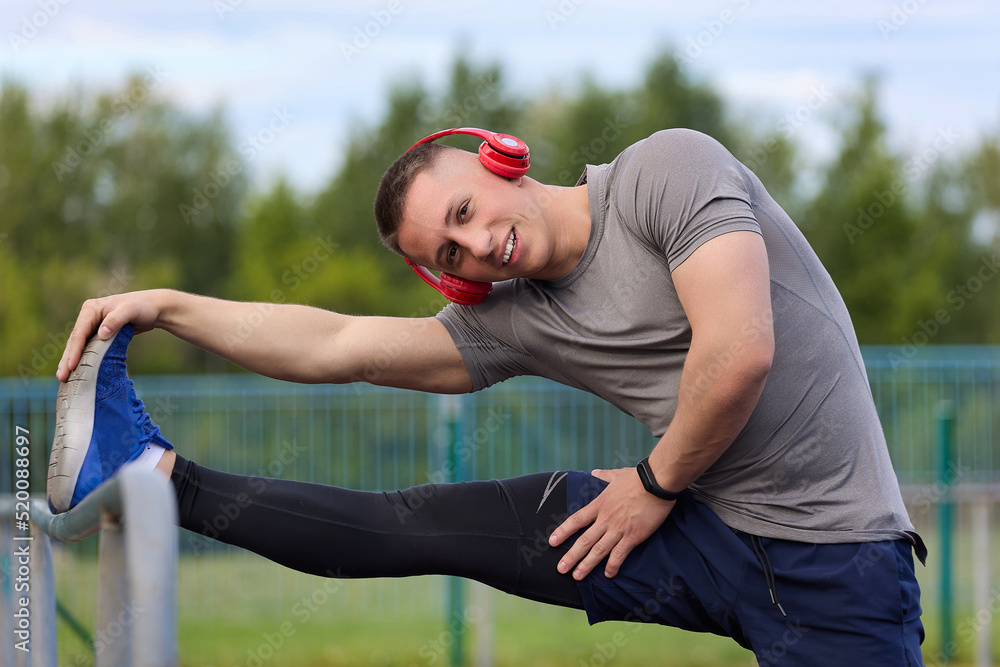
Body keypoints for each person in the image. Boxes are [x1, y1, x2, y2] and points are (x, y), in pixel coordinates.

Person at [50, 127, 926, 665]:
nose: (475, 245)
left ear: (501, 160)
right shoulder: (517, 320)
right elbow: (340, 345)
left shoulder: (669, 172)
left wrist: (651, 486)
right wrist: (166, 306)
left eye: (464, 211)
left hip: (834, 558)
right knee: (417, 522)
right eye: (449, 252)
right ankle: (162, 475)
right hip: (702, 523)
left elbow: (739, 352)